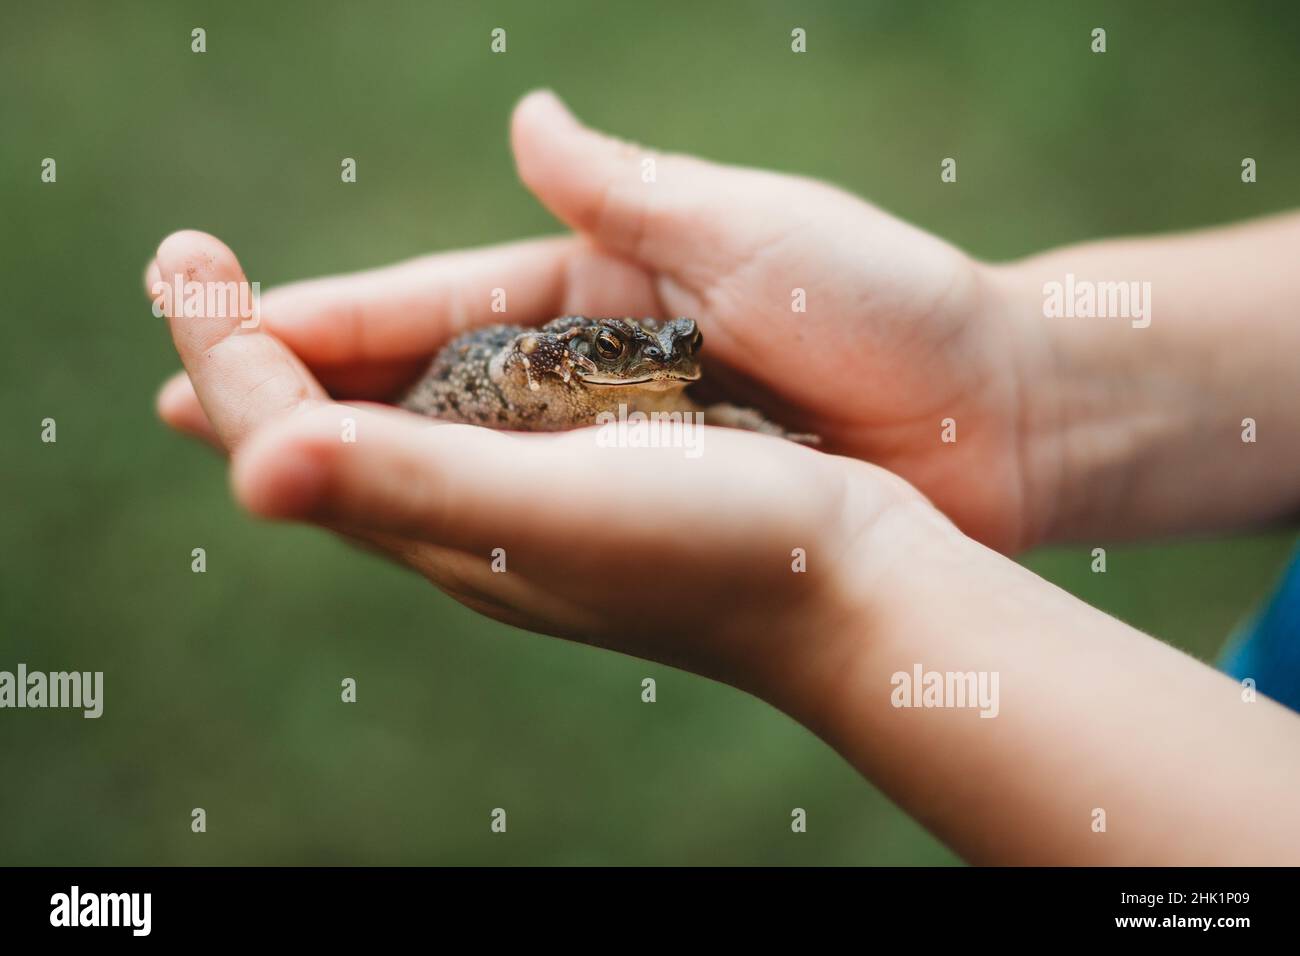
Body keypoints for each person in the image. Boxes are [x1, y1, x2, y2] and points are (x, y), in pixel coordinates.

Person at [147, 90, 1300, 864]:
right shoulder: (533, 359)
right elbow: (500, 368)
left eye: (671, 359)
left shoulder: (652, 375)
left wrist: (843, 585)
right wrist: (1013, 378)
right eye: (620, 352)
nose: (655, 368)